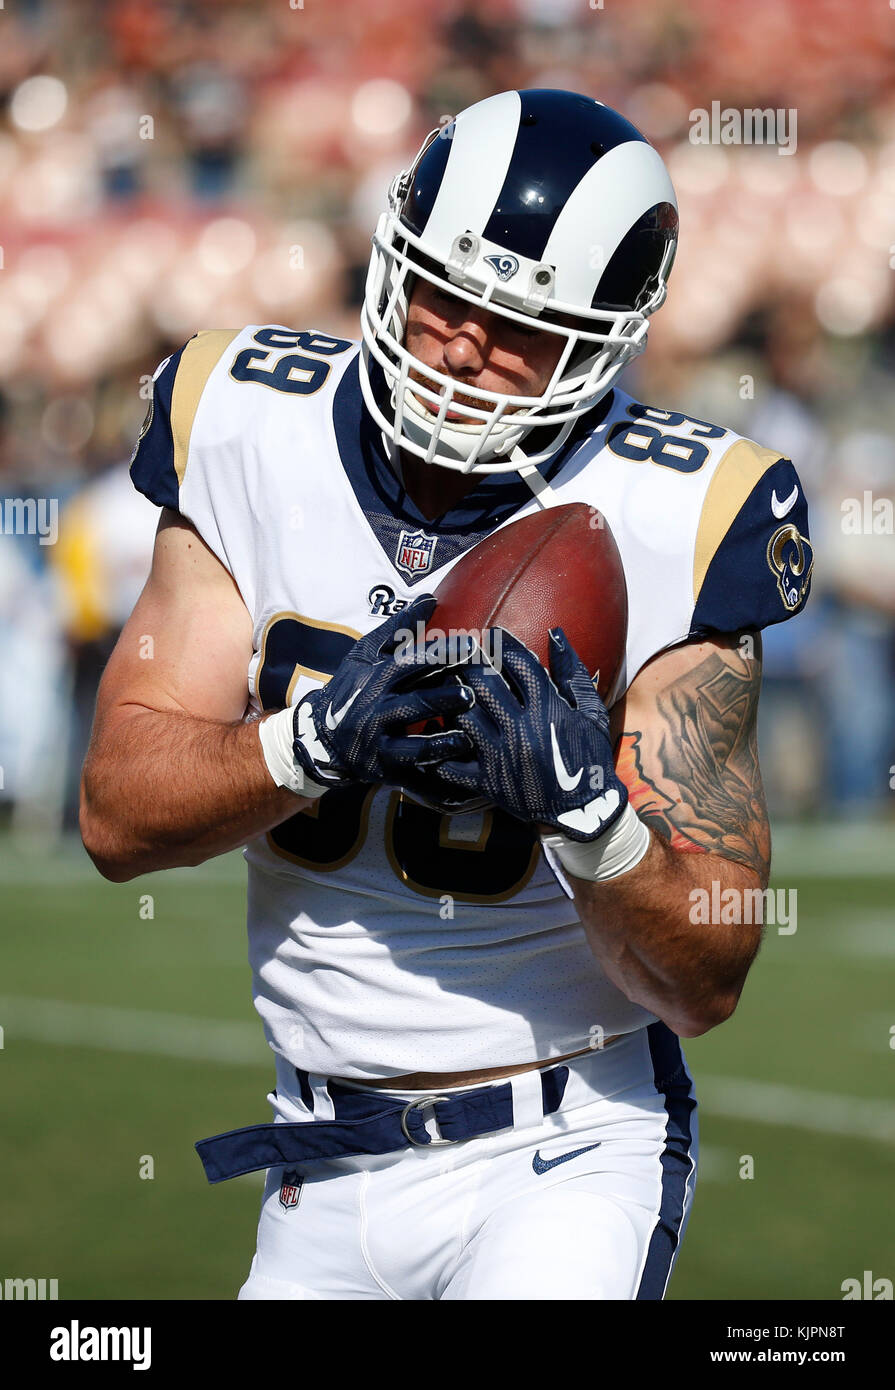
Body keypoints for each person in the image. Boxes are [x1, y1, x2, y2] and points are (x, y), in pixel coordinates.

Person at [80, 89, 813, 1300]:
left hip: (564, 1149)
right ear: (390, 254)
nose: (462, 343)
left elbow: (709, 973)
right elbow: (114, 816)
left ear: (603, 341)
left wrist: (593, 819)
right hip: (317, 1157)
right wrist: (307, 743)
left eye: (521, 325)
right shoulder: (244, 423)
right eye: (442, 291)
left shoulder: (684, 511)